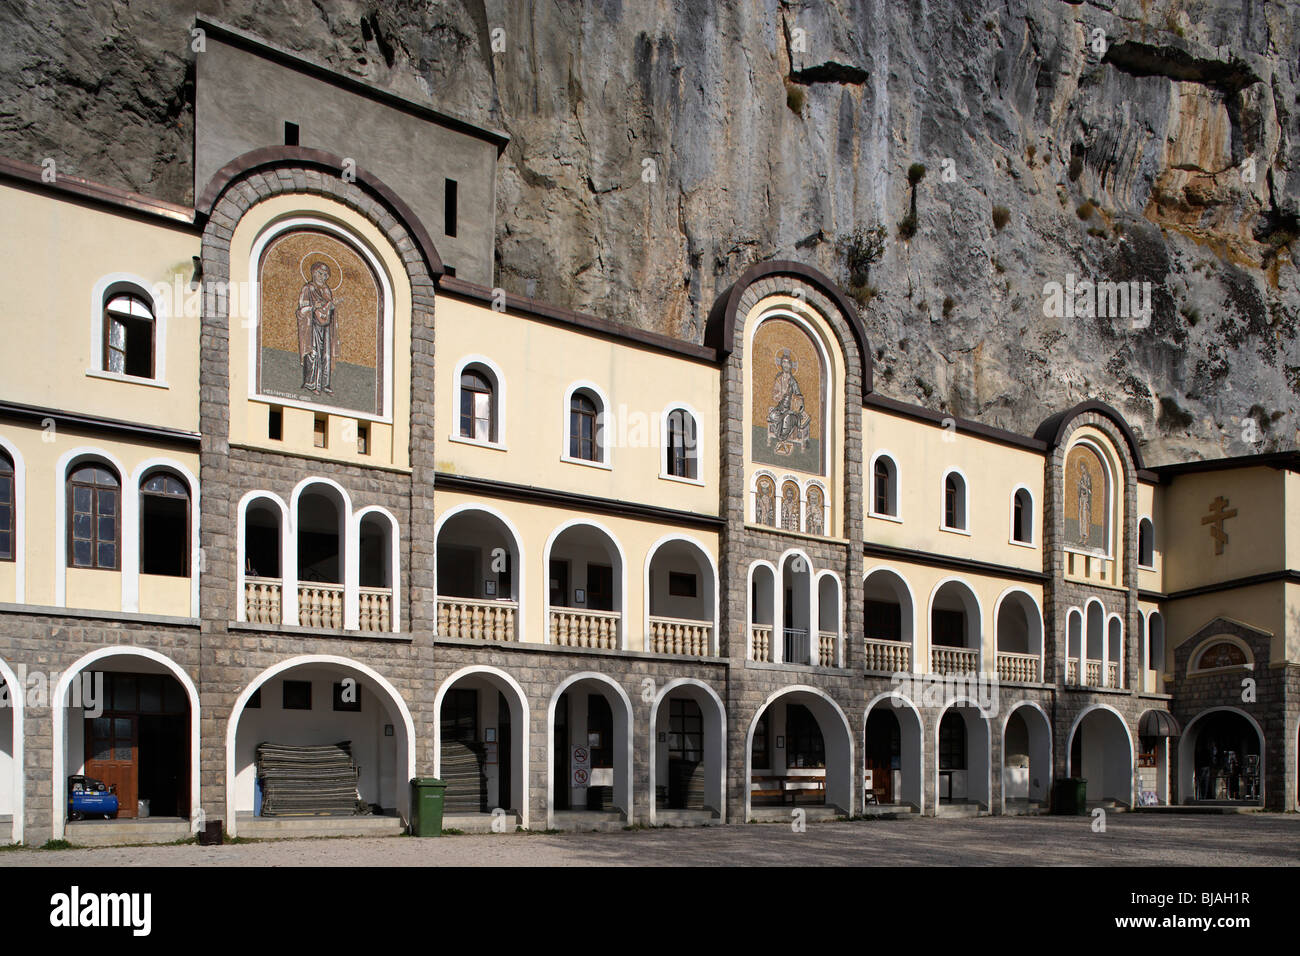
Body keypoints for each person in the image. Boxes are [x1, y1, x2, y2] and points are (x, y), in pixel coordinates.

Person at [297, 261, 340, 394]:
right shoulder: (308, 288)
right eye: (320, 273)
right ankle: (311, 384)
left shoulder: (326, 291)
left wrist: (331, 307)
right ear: (313, 273)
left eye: (325, 275)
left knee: (326, 355)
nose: (323, 277)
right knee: (313, 353)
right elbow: (301, 310)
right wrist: (312, 307)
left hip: (325, 326)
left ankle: (324, 384)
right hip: (311, 326)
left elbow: (329, 308)